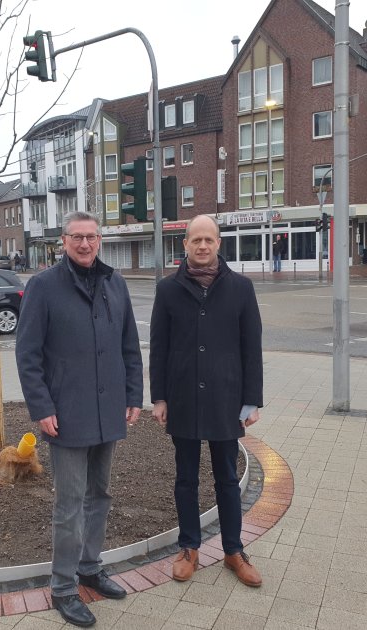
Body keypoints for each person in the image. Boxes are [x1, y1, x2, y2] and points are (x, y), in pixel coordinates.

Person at [15, 210, 144, 627]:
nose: (85, 244)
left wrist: (133, 396)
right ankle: (63, 587)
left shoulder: (115, 282)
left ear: (99, 240)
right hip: (66, 415)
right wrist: (42, 408)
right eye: (76, 238)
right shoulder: (43, 286)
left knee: (100, 496)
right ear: (64, 242)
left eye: (91, 237)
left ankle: (90, 567)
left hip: (108, 412)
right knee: (69, 504)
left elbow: (129, 346)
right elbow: (28, 354)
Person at [149, 214, 264, 588]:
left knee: (227, 479)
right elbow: (159, 349)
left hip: (225, 399)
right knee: (186, 479)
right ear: (184, 244)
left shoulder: (241, 288)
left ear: (218, 244)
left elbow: (252, 348)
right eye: (195, 240)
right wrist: (160, 397)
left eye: (208, 240)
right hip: (182, 397)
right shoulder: (168, 290)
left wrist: (251, 400)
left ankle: (233, 550)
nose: (202, 246)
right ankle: (189, 548)